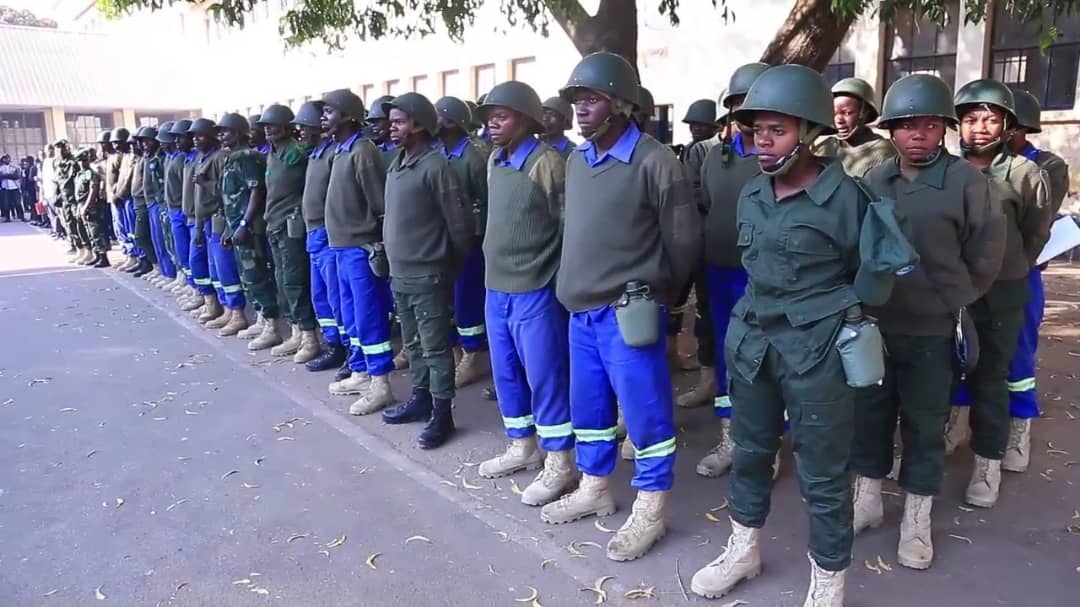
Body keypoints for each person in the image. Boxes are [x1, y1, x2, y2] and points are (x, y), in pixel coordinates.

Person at [689, 64, 915, 605]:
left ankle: (829, 578)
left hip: (817, 355)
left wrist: (837, 314)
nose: (763, 141)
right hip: (754, 346)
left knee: (822, 472)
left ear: (810, 132)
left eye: (778, 130)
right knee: (749, 454)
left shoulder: (849, 198)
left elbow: (874, 283)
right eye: (756, 131)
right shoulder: (752, 193)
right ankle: (743, 549)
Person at [539, 52, 699, 563]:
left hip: (628, 312)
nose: (580, 109)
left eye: (592, 99)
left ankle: (651, 506)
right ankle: (595, 487)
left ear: (622, 104)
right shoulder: (577, 161)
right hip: (580, 312)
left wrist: (660, 298)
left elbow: (683, 242)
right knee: (589, 410)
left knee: (647, 413)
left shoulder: (655, 161)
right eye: (576, 100)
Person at [852, 73, 1005, 571]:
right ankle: (868, 499)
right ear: (890, 130)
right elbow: (858, 244)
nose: (917, 134)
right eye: (905, 125)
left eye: (928, 125)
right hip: (878, 324)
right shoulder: (875, 179)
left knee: (924, 424)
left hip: (934, 328)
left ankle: (916, 518)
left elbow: (987, 254)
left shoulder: (967, 183)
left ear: (943, 129)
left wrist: (952, 297)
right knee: (871, 416)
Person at [470, 81, 576, 505]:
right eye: (489, 118)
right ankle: (522, 445)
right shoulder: (495, 159)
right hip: (496, 288)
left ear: (527, 119)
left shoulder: (547, 162)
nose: (492, 124)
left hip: (535, 289)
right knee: (507, 373)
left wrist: (558, 282)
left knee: (545, 377)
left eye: (502, 116)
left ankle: (560, 463)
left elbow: (567, 226)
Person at [951, 79, 1052, 509]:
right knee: (941, 371)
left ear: (1007, 125)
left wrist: (1011, 267)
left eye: (989, 120)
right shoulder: (945, 170)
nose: (978, 128)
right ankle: (939, 442)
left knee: (991, 378)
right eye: (970, 119)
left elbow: (1036, 232)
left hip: (1001, 293)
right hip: (950, 291)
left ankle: (987, 464)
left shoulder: (1026, 174)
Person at [380, 92, 474, 448]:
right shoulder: (398, 163)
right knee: (413, 343)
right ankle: (420, 398)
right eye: (391, 122)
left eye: (399, 121)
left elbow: (460, 225)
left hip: (428, 274)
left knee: (435, 347)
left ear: (419, 125)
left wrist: (445, 263)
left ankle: (442, 413)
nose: (391, 127)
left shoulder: (436, 166)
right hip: (401, 273)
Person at [690, 62, 768, 478]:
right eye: (738, 104)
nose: (745, 113)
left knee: (763, 363)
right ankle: (730, 437)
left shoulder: (782, 159)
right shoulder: (714, 158)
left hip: (762, 279)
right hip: (718, 272)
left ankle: (765, 445)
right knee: (725, 356)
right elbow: (706, 205)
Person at [995, 89, 1071, 472]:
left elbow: (1034, 221)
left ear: (1019, 126)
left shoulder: (1046, 166)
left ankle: (1018, 425)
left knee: (1018, 351)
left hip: (1022, 274)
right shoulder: (971, 163)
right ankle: (959, 420)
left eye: (1001, 122)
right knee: (965, 350)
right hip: (974, 276)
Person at [321, 89, 396, 415]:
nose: (323, 117)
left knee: (369, 316)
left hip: (360, 249)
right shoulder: (341, 150)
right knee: (350, 315)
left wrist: (380, 246)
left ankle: (380, 384)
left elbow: (380, 205)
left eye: (329, 111)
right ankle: (361, 371)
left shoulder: (362, 151)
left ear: (348, 116)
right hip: (340, 247)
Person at [435, 95, 491, 388]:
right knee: (448, 300)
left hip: (470, 240)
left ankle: (473, 356)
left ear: (452, 121)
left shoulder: (473, 156)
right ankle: (456, 351)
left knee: (467, 299)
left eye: (438, 116)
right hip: (444, 237)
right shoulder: (439, 153)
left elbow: (485, 199)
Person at [259, 105, 322, 361]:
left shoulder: (295, 152)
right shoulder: (273, 153)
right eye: (265, 126)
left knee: (295, 281)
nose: (267, 129)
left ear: (286, 127)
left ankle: (309, 337)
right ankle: (296, 330)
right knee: (283, 280)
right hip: (274, 223)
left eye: (272, 125)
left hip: (291, 225)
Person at [297, 100, 350, 372]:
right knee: (321, 295)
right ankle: (333, 344)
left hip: (327, 233)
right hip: (312, 233)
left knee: (337, 297)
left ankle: (347, 349)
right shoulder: (315, 154)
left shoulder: (332, 153)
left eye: (304, 126)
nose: (300, 131)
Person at [216, 112, 278, 339]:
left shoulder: (248, 157)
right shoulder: (230, 158)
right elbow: (230, 199)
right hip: (237, 226)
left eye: (226, 131)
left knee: (257, 275)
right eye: (220, 132)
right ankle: (261, 317)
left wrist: (243, 224)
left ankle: (271, 325)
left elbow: (256, 191)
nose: (222, 135)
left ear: (239, 133)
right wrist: (229, 228)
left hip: (251, 228)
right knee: (246, 276)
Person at [188, 117, 227, 325]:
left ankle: (230, 310)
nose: (196, 139)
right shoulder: (201, 158)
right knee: (204, 264)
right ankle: (211, 302)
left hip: (217, 218)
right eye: (194, 136)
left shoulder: (219, 157)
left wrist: (206, 183)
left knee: (222, 268)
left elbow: (227, 191)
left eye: (200, 136)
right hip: (203, 219)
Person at [815, 78, 896, 177]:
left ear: (865, 113)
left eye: (847, 113)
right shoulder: (824, 148)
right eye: (834, 113)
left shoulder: (883, 153)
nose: (839, 120)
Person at [163, 121, 194, 296]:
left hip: (183, 210)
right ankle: (187, 281)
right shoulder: (176, 157)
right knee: (179, 248)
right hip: (174, 208)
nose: (176, 141)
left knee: (188, 250)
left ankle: (193, 285)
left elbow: (187, 188)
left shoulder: (183, 158)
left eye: (179, 137)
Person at [73, 147, 111, 267]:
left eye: (84, 160)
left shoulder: (91, 174)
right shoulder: (80, 174)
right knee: (89, 232)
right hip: (81, 204)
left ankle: (103, 257)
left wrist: (86, 206)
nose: (82, 163)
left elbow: (93, 190)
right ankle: (97, 255)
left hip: (91, 206)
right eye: (80, 160)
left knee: (96, 232)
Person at [0, 154, 23, 223]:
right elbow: (1, 176)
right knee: (6, 203)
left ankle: (21, 216)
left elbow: (16, 176)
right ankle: (7, 217)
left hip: (14, 187)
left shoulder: (14, 167)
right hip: (5, 187)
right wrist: (9, 175)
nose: (7, 160)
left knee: (18, 202)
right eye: (5, 159)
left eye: (8, 158)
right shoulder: (1, 168)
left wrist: (7, 175)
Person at [20, 156, 40, 225]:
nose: (25, 163)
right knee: (32, 203)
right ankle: (34, 217)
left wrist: (25, 189)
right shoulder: (29, 168)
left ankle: (35, 218)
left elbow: (27, 180)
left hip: (30, 188)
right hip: (30, 188)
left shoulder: (30, 168)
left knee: (32, 203)